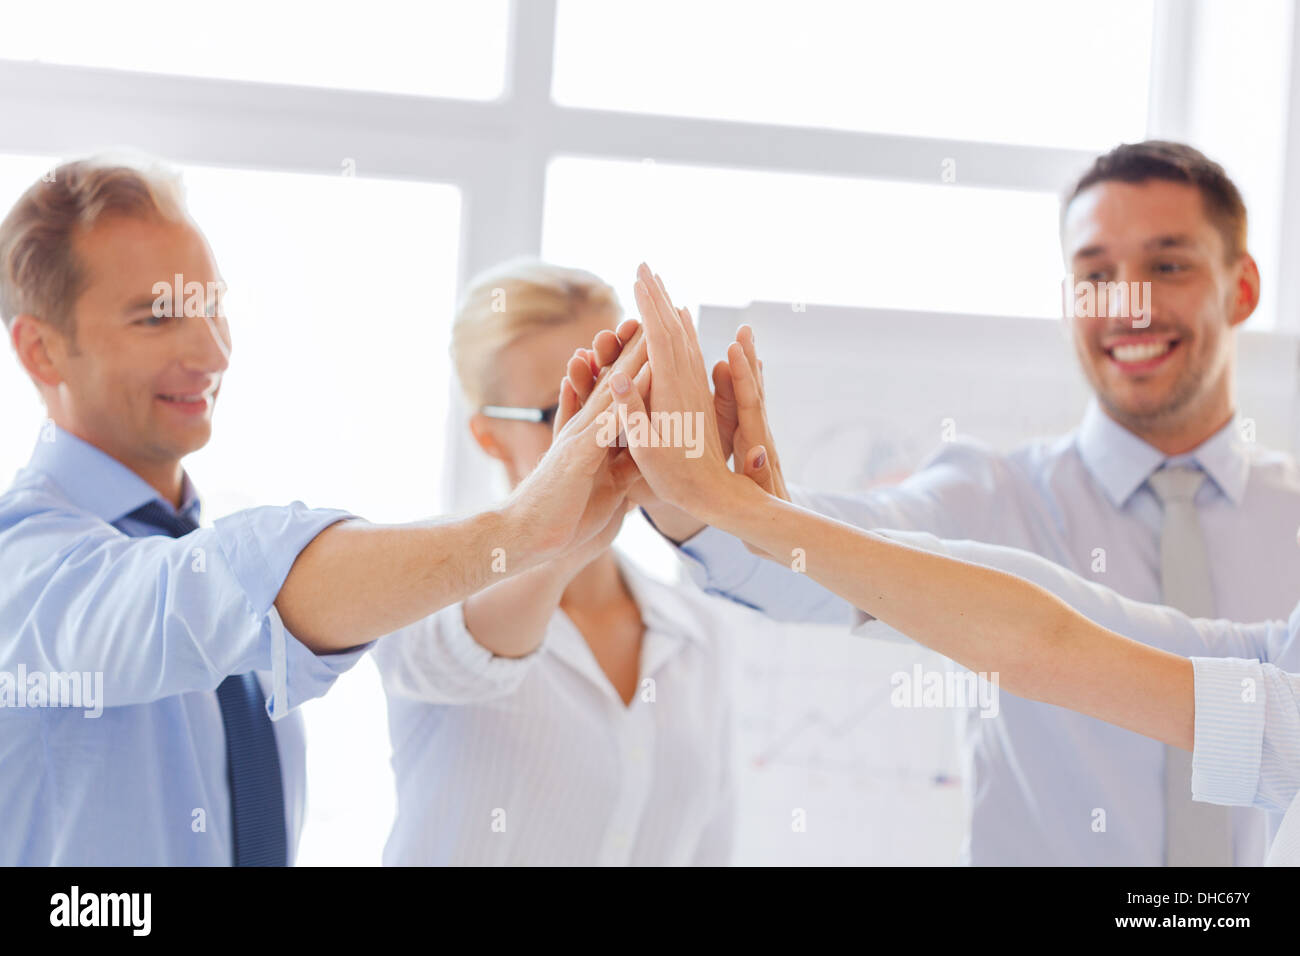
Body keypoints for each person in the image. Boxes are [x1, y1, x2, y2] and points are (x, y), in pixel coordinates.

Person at [609, 142, 1300, 866]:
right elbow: (855, 570)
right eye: (1095, 274)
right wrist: (694, 502)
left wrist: (742, 509)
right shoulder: (990, 493)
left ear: (1241, 288)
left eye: (1168, 265)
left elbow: (1063, 642)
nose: (1127, 303)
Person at [0, 158, 642, 865]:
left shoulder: (194, 548)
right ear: (41, 349)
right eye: (156, 317)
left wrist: (553, 538)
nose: (212, 353)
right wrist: (520, 529)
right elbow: (198, 594)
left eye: (213, 308)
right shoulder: (25, 566)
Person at [371, 261, 738, 865]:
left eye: (621, 391)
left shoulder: (701, 636)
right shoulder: (424, 588)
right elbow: (465, 654)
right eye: (558, 410)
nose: (607, 427)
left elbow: (712, 852)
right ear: (489, 437)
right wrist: (562, 536)